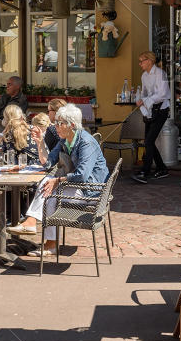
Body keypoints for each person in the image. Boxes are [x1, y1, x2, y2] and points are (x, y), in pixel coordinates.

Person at [10, 105, 108, 258]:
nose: (55, 127)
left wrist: (58, 180)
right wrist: (40, 143)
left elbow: (82, 175)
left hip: (91, 190)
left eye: (59, 123)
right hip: (76, 186)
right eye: (55, 123)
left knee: (50, 195)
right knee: (48, 184)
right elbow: (48, 163)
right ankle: (41, 234)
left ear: (72, 125)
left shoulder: (85, 143)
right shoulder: (64, 140)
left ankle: (39, 231)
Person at [132, 50, 171, 183]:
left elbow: (163, 94)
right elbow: (144, 92)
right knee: (148, 141)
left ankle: (145, 171)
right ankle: (161, 168)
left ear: (149, 61)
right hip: (150, 111)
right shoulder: (144, 76)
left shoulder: (161, 74)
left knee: (148, 141)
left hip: (161, 110)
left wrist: (146, 100)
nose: (140, 64)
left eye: (142, 61)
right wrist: (140, 99)